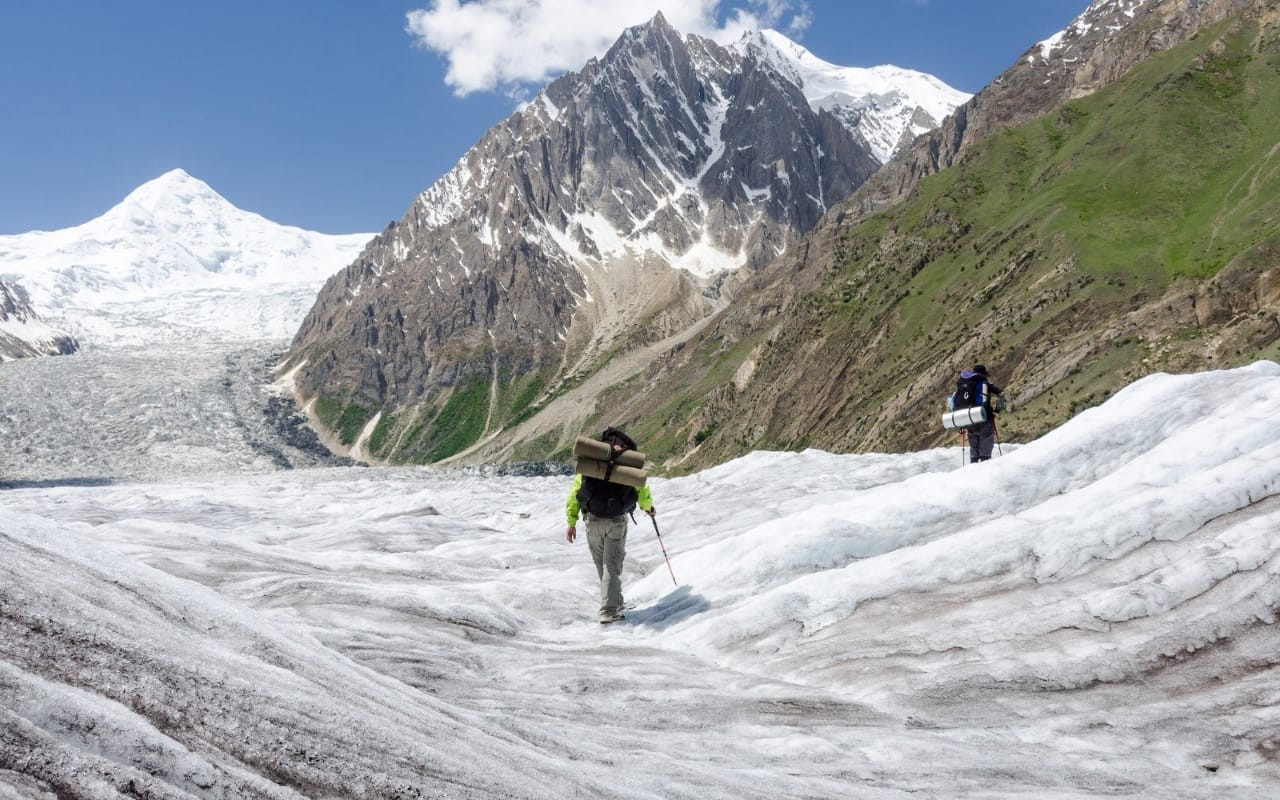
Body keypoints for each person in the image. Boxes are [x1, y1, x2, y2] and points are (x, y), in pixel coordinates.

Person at [565, 427, 655, 623]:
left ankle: (616, 601)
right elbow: (641, 490)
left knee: (602, 566)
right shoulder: (625, 468)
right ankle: (608, 611)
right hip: (616, 522)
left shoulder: (592, 465)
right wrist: (648, 508)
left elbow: (575, 494)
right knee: (611, 566)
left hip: (592, 521)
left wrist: (571, 522)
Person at [953, 364, 1006, 463]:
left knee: (974, 451)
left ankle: (973, 471)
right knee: (985, 451)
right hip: (984, 419)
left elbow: (955, 400)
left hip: (969, 420)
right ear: (983, 374)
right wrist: (997, 410)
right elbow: (1001, 394)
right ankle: (985, 472)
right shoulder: (985, 383)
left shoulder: (964, 383)